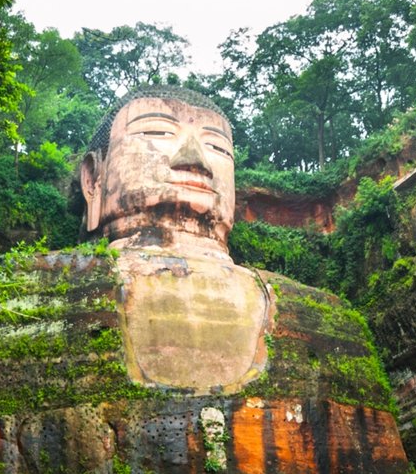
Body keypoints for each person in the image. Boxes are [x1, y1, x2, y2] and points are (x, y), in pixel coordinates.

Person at [75, 86, 271, 392]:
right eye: (157, 131)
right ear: (93, 178)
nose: (195, 160)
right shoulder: (55, 287)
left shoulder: (313, 316)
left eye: (218, 148)